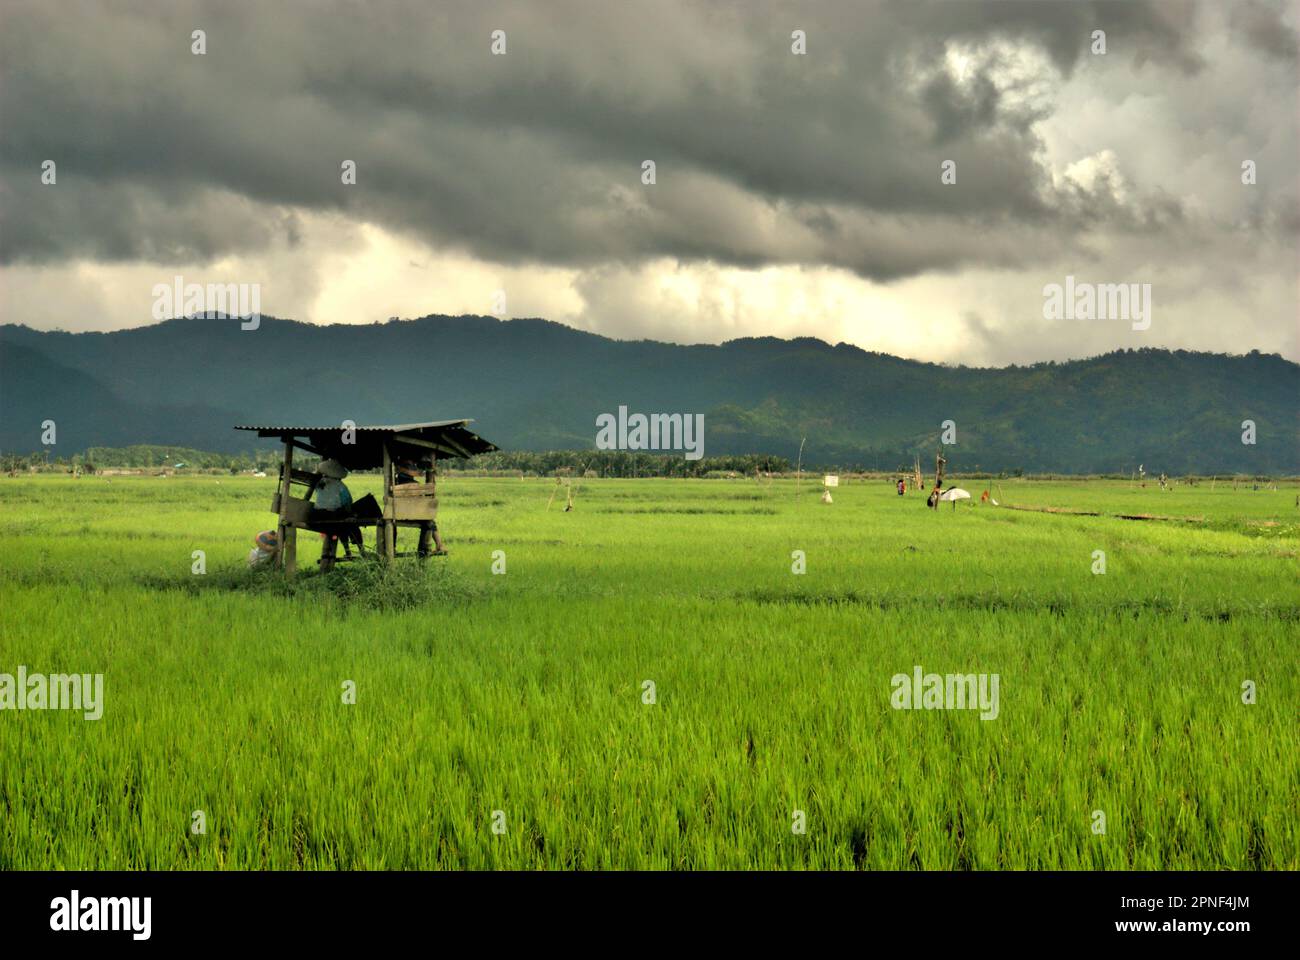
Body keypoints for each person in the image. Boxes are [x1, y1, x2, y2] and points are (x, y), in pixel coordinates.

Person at [314, 459, 364, 551]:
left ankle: (347, 550)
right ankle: (360, 549)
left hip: (318, 515)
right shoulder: (340, 485)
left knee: (342, 522)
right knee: (350, 523)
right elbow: (347, 501)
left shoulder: (319, 483)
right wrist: (351, 513)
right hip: (332, 515)